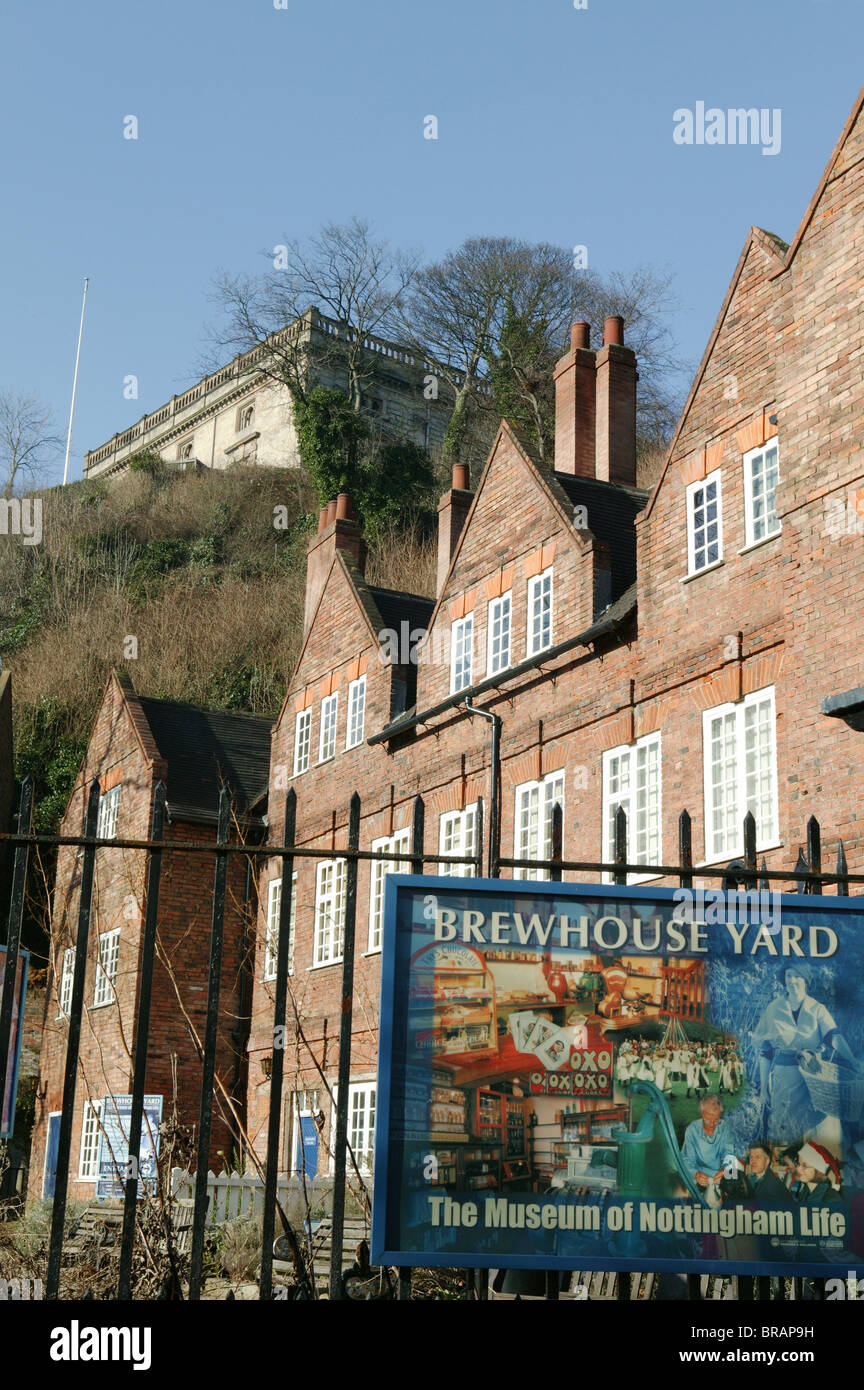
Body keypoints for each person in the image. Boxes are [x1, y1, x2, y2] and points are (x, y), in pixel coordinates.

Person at [752, 964, 857, 1142]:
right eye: (789, 976)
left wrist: (853, 1061)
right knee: (785, 1128)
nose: (792, 981)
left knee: (819, 1128)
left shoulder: (817, 1009)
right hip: (785, 1079)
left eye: (797, 976)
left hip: (814, 1078)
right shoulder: (774, 1009)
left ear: (806, 980)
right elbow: (765, 1051)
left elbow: (833, 1036)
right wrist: (764, 1088)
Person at [680, 1095, 735, 1199]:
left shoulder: (725, 1128)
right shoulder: (692, 1130)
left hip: (719, 1175)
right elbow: (687, 1160)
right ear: (702, 1114)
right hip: (699, 1175)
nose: (712, 1124)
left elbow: (728, 1154)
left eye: (716, 1120)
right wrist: (696, 1174)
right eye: (708, 1119)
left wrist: (725, 1170)